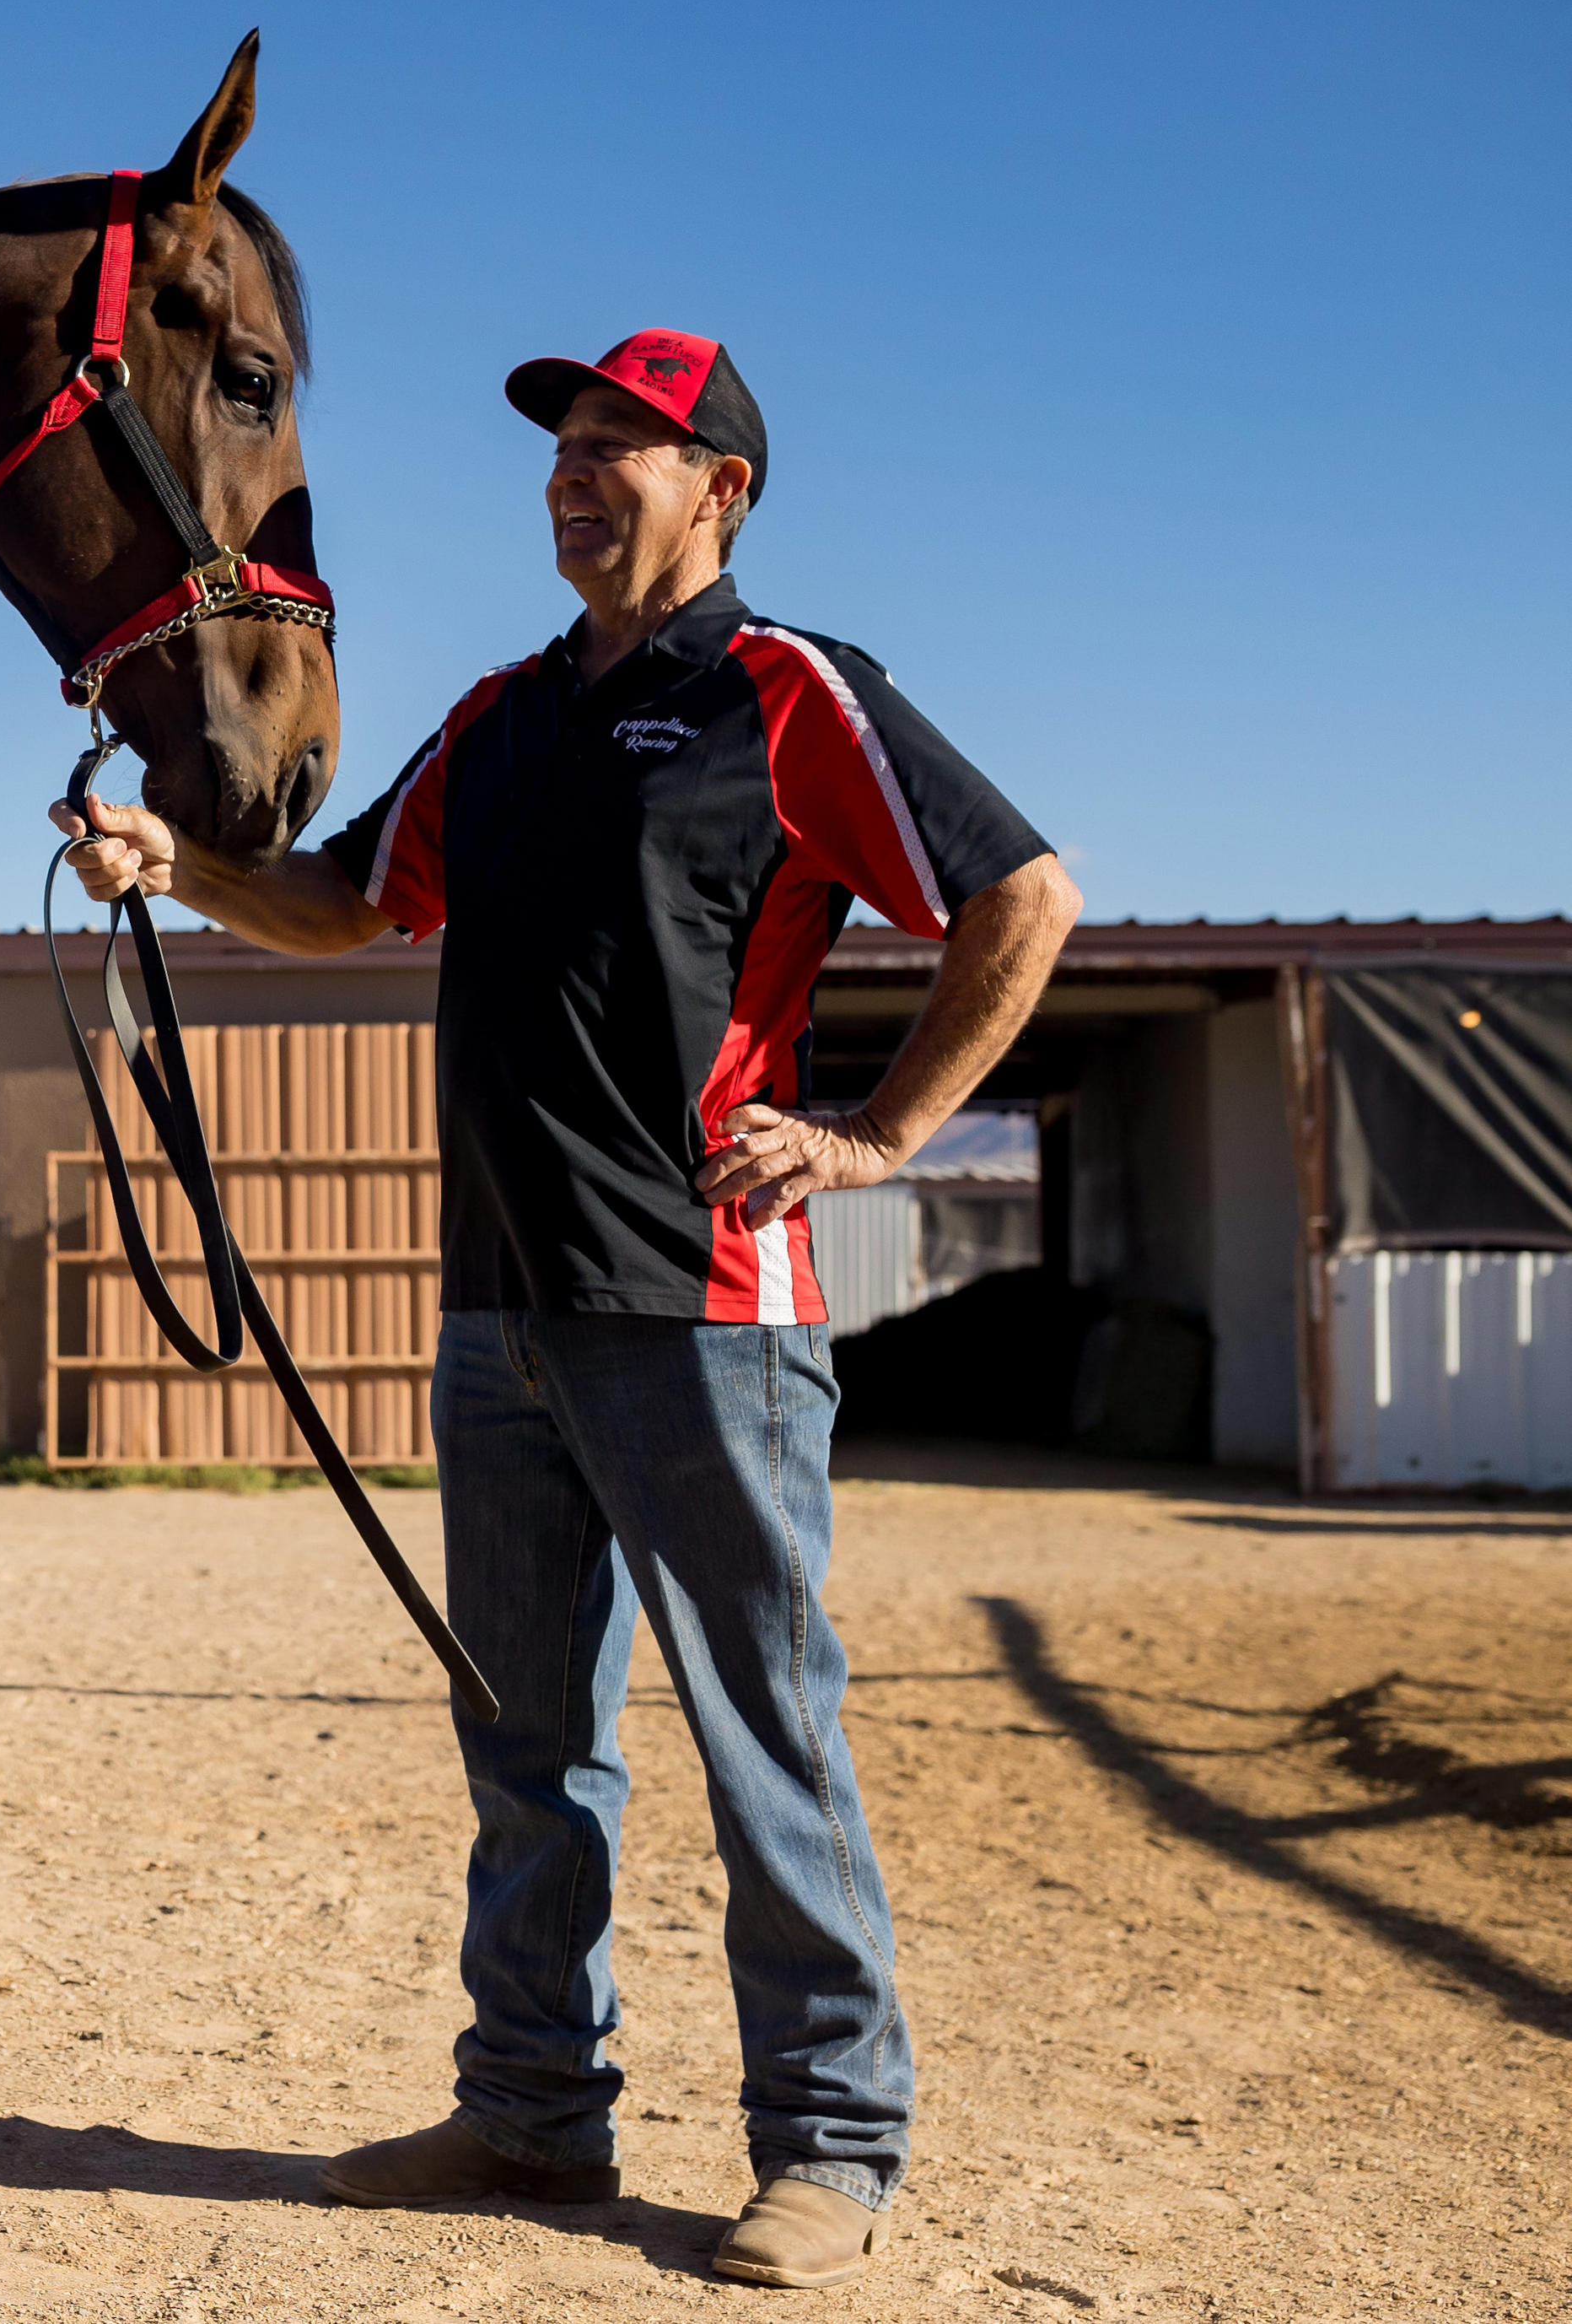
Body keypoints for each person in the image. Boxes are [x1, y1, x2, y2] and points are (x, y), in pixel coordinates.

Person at [53, 331, 1079, 2291]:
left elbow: (1017, 894)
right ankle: (531, 2109)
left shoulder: (792, 695)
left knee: (764, 1731)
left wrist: (874, 1137)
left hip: (705, 1316)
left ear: (724, 495)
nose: (576, 472)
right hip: (498, 1311)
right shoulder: (502, 717)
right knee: (528, 1738)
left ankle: (833, 2140)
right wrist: (177, 863)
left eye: (627, 444)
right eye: (564, 445)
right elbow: (351, 900)